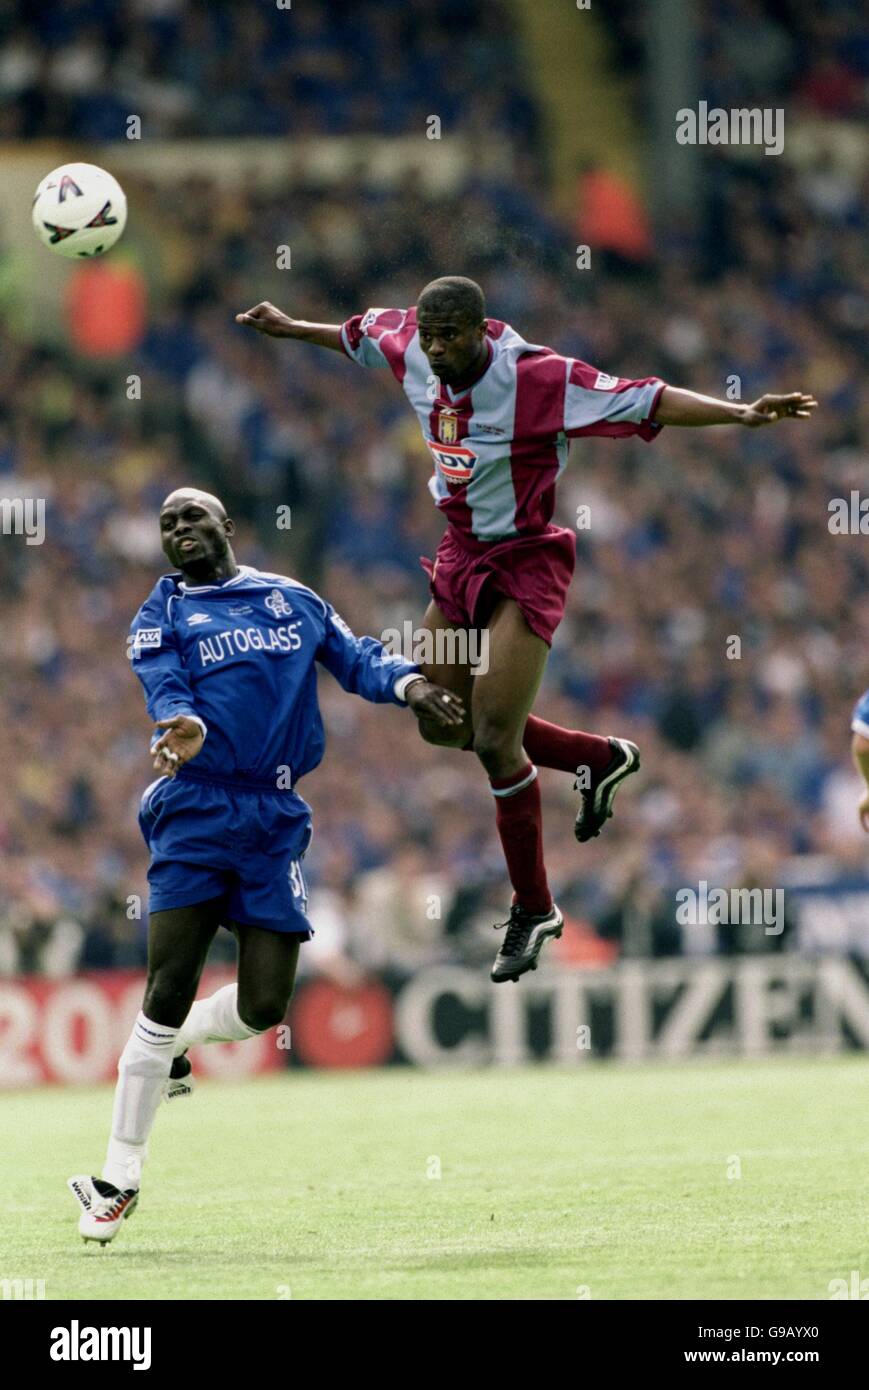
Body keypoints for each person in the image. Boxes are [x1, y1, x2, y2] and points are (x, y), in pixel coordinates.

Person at [237, 276, 817, 983]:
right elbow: (356, 337)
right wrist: (293, 326)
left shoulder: (539, 378)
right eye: (430, 336)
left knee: (491, 740)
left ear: (481, 331)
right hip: (459, 556)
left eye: (451, 336)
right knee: (438, 718)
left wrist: (742, 414)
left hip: (526, 560)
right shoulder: (408, 344)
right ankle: (595, 759)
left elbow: (646, 396)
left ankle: (533, 905)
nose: (437, 348)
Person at [68, 486, 463, 1245]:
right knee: (169, 984)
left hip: (275, 816)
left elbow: (357, 659)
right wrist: (179, 725)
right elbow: (167, 691)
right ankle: (118, 1180)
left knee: (265, 1007)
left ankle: (173, 1046)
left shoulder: (293, 601)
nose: (178, 529)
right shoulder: (161, 616)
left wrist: (412, 686)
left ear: (228, 526)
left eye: (191, 516)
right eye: (165, 523)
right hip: (197, 807)